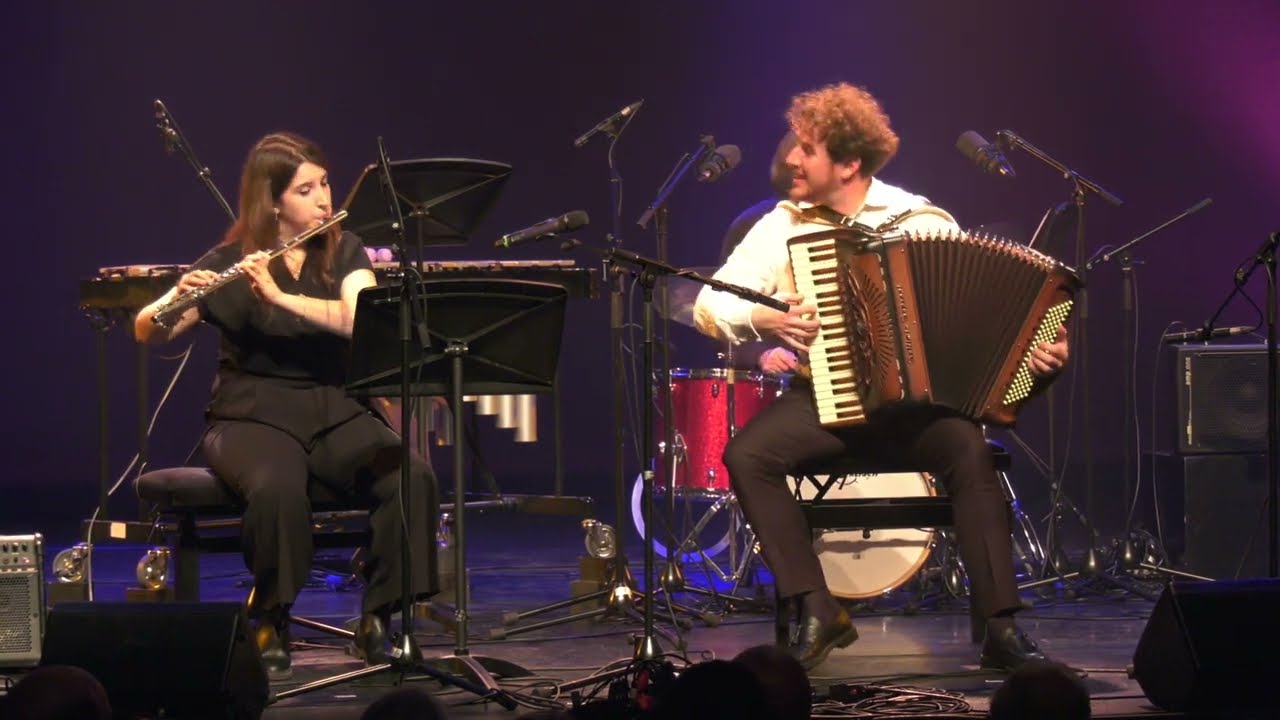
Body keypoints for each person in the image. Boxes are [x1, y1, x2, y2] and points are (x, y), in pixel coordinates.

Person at [693, 83, 1069, 672]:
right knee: (747, 455)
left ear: (848, 164)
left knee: (969, 450)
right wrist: (765, 317)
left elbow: (990, 339)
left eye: (807, 149)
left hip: (916, 415)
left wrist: (1037, 360)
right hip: (825, 400)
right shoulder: (782, 225)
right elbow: (709, 303)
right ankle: (818, 608)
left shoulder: (921, 220)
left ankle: (1001, 628)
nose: (790, 159)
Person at [134, 132, 438, 680]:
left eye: (325, 184)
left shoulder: (344, 250)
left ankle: (378, 614)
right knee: (276, 489)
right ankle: (271, 616)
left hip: (334, 408)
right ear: (273, 202)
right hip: (251, 414)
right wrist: (179, 295)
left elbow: (359, 320)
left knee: (410, 476)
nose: (324, 198)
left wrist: (281, 298)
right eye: (306, 189)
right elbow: (149, 330)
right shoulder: (228, 261)